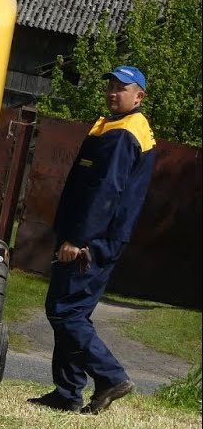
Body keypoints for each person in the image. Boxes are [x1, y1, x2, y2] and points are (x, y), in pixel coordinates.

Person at [28, 65, 157, 415]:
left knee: (65, 310)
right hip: (91, 236)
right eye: (111, 86)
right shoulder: (115, 126)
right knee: (72, 311)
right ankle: (68, 392)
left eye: (121, 88)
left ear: (139, 96)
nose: (113, 92)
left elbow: (106, 192)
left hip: (92, 241)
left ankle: (111, 376)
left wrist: (78, 239)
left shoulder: (125, 134)